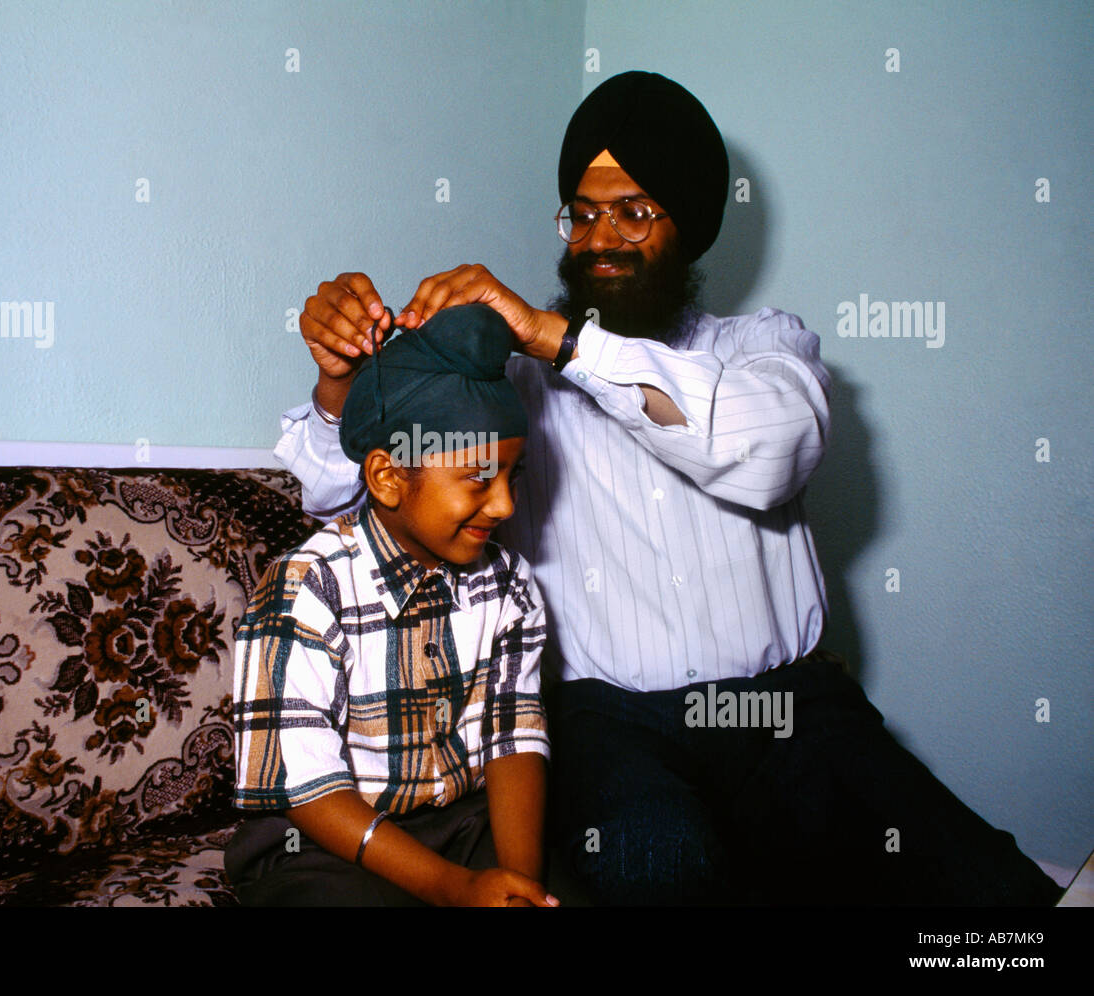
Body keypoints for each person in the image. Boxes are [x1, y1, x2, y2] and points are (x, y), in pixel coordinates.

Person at [277, 71, 1060, 905]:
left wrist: (557, 336)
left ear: (690, 226)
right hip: (608, 721)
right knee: (656, 862)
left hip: (783, 705)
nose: (601, 237)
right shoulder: (511, 389)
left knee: (972, 883)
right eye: (582, 213)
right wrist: (337, 391)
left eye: (635, 211)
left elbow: (771, 452)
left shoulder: (765, 348)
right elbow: (349, 505)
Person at [228, 303, 557, 907]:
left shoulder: (510, 584)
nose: (507, 506)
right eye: (481, 479)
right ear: (386, 478)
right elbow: (307, 790)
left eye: (514, 476)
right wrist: (454, 889)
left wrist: (518, 888)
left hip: (459, 823)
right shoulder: (306, 587)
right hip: (323, 836)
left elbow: (514, 740)